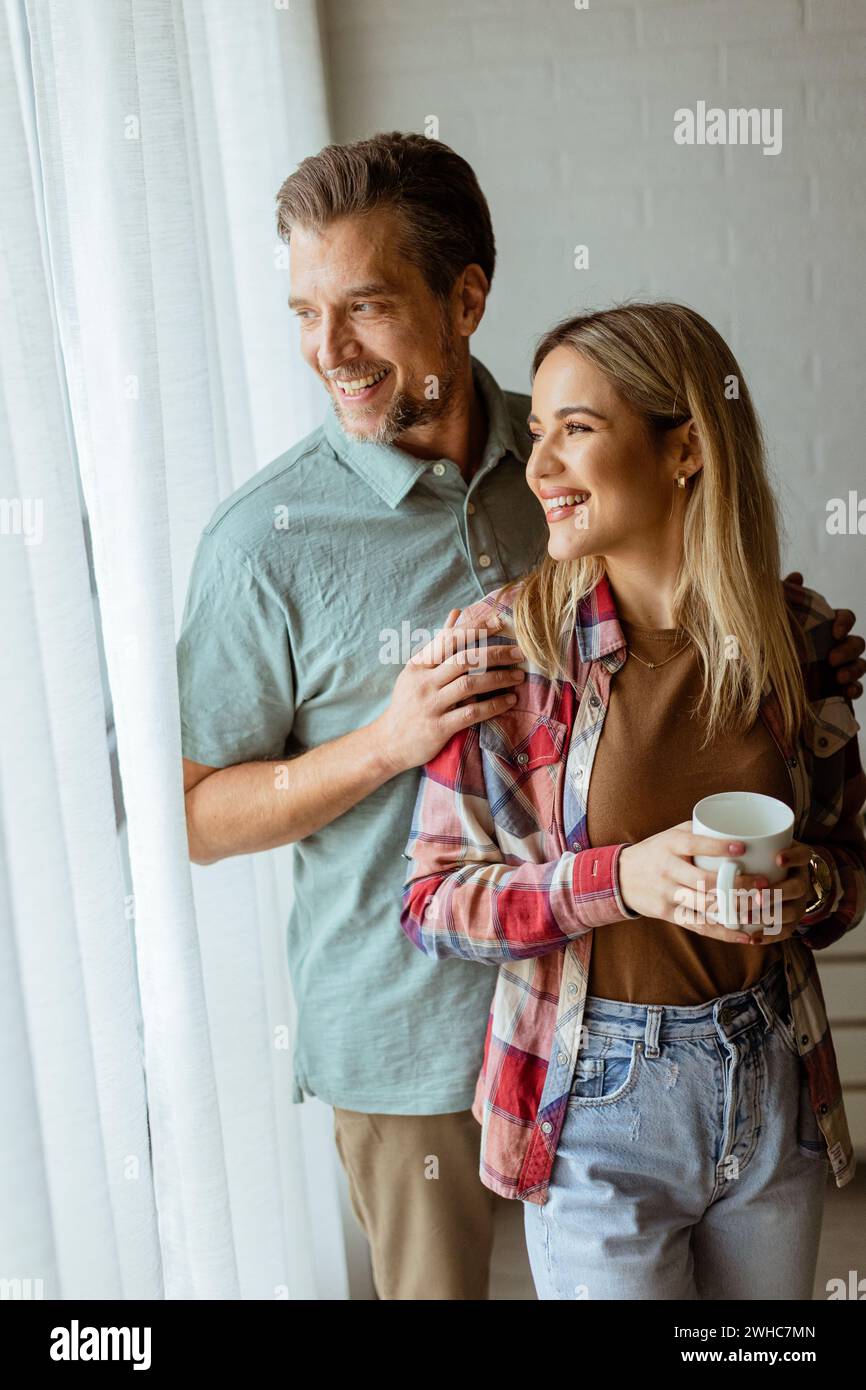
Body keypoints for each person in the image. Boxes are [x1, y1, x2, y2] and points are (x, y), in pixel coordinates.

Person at [176, 132, 864, 1300]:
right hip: (409, 1042)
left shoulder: (556, 458)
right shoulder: (260, 545)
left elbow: (687, 589)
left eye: (365, 307)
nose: (325, 351)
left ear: (465, 299)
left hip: (677, 1038)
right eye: (303, 312)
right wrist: (386, 743)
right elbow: (194, 814)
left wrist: (795, 661)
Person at [400, 300, 866, 1300]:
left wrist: (809, 885)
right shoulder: (504, 650)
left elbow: (847, 866)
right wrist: (622, 879)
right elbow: (432, 904)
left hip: (766, 1078)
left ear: (685, 447)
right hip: (590, 1104)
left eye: (575, 429)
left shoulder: (800, 642)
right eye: (536, 436)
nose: (537, 468)